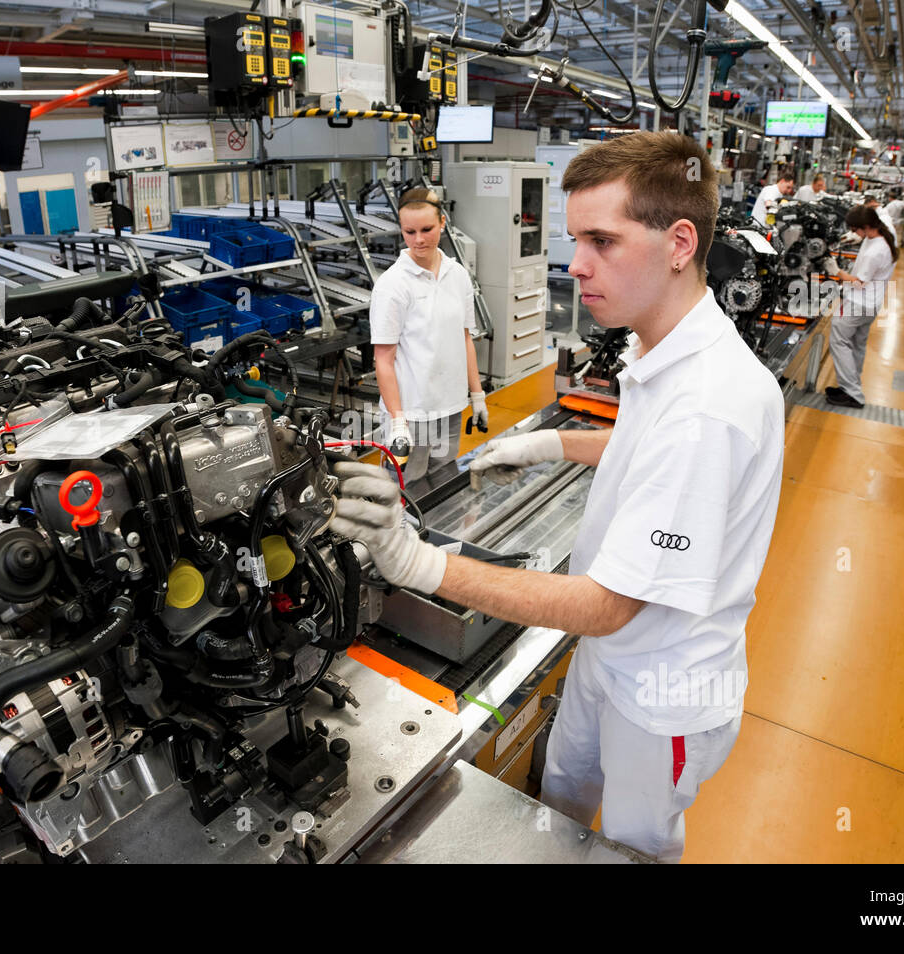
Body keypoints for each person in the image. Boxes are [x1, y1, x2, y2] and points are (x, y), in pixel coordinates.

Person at [330, 133, 785, 863]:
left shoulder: (711, 402)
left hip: (663, 685)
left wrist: (417, 564)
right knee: (564, 789)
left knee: (636, 846)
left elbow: (607, 602)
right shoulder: (663, 349)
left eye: (602, 241)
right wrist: (546, 444)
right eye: (575, 240)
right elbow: (643, 454)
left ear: (678, 243)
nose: (575, 265)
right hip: (611, 657)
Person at [368, 187, 488, 481]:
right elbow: (383, 359)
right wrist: (397, 422)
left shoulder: (457, 274)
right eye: (409, 231)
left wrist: (478, 395)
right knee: (401, 492)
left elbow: (464, 339)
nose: (419, 239)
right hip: (411, 413)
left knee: (442, 483)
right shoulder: (392, 285)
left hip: (450, 407)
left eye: (427, 229)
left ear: (443, 223)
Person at [825, 204, 899, 408]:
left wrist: (836, 271)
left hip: (858, 303)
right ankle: (852, 385)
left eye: (855, 230)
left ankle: (853, 393)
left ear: (866, 226)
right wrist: (858, 239)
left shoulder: (875, 252)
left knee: (838, 341)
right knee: (857, 344)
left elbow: (858, 281)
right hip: (872, 304)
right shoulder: (881, 236)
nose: (853, 233)